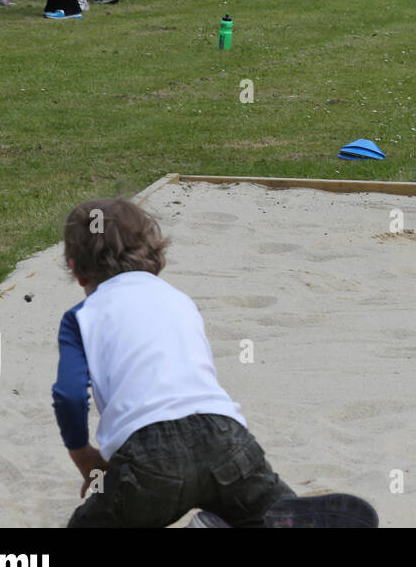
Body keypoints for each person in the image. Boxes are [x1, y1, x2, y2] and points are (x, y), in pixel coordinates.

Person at [53, 197, 297, 527]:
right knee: (266, 511)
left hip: (149, 459)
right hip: (227, 439)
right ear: (153, 252)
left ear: (76, 270)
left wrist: (84, 457)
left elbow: (68, 394)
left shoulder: (81, 318)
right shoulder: (179, 300)